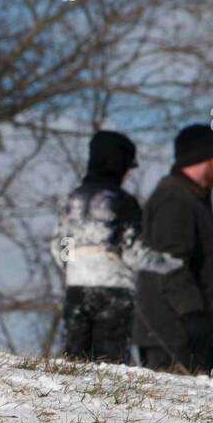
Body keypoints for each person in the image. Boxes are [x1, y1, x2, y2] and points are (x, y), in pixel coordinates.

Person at [135, 123, 213, 374]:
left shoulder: (191, 198)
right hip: (171, 332)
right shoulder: (175, 199)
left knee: (209, 394)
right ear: (202, 158)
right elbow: (168, 262)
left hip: (185, 332)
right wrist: (192, 314)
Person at [51, 130, 144, 364]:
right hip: (114, 289)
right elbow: (131, 251)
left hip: (77, 286)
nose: (127, 175)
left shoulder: (71, 200)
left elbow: (59, 246)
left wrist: (73, 267)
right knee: (111, 363)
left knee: (74, 360)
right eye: (127, 168)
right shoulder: (124, 202)